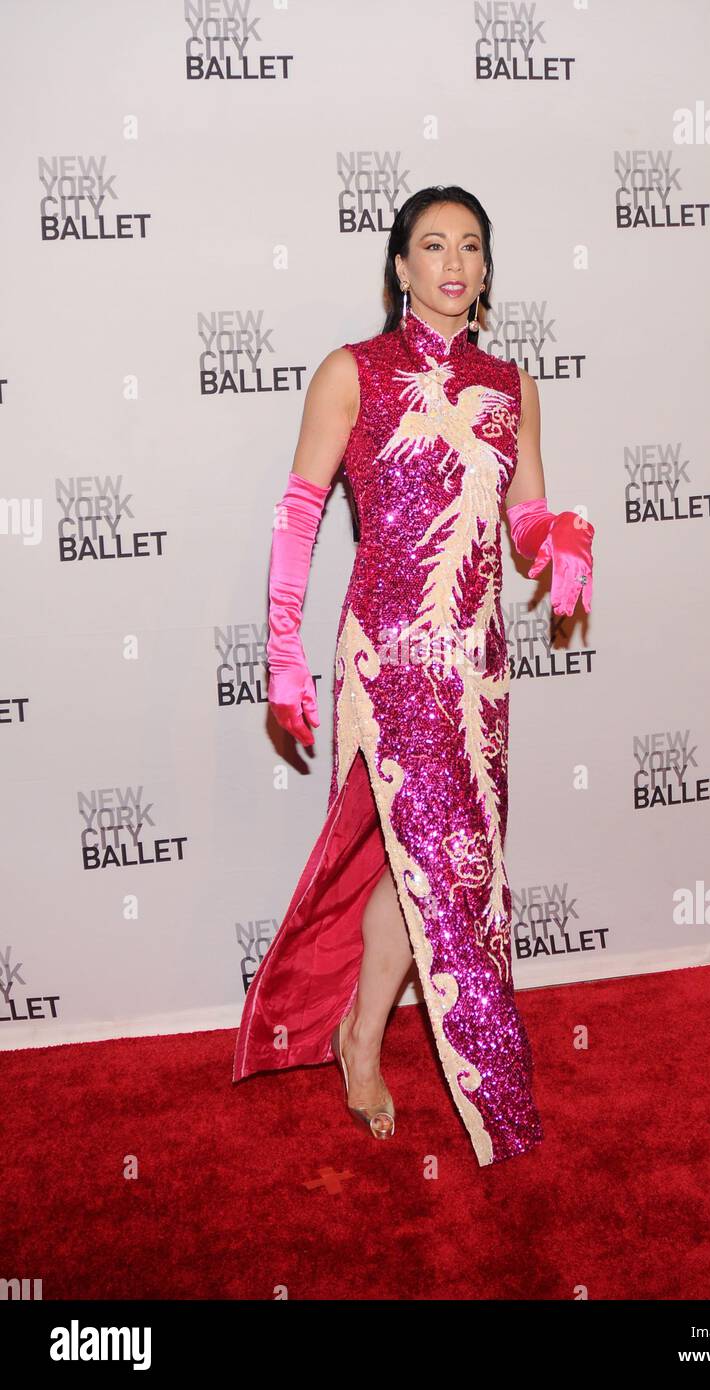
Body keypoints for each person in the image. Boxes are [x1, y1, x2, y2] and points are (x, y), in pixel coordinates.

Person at [232, 185, 594, 1167]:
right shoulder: (352, 373)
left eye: (468, 246)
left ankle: (360, 1031)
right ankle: (499, 1101)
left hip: (476, 672)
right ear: (399, 266)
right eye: (430, 244)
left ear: (484, 267)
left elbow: (523, 527)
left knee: (425, 864)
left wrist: (562, 551)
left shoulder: (510, 385)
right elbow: (298, 516)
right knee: (452, 870)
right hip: (388, 664)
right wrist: (280, 654)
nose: (451, 262)